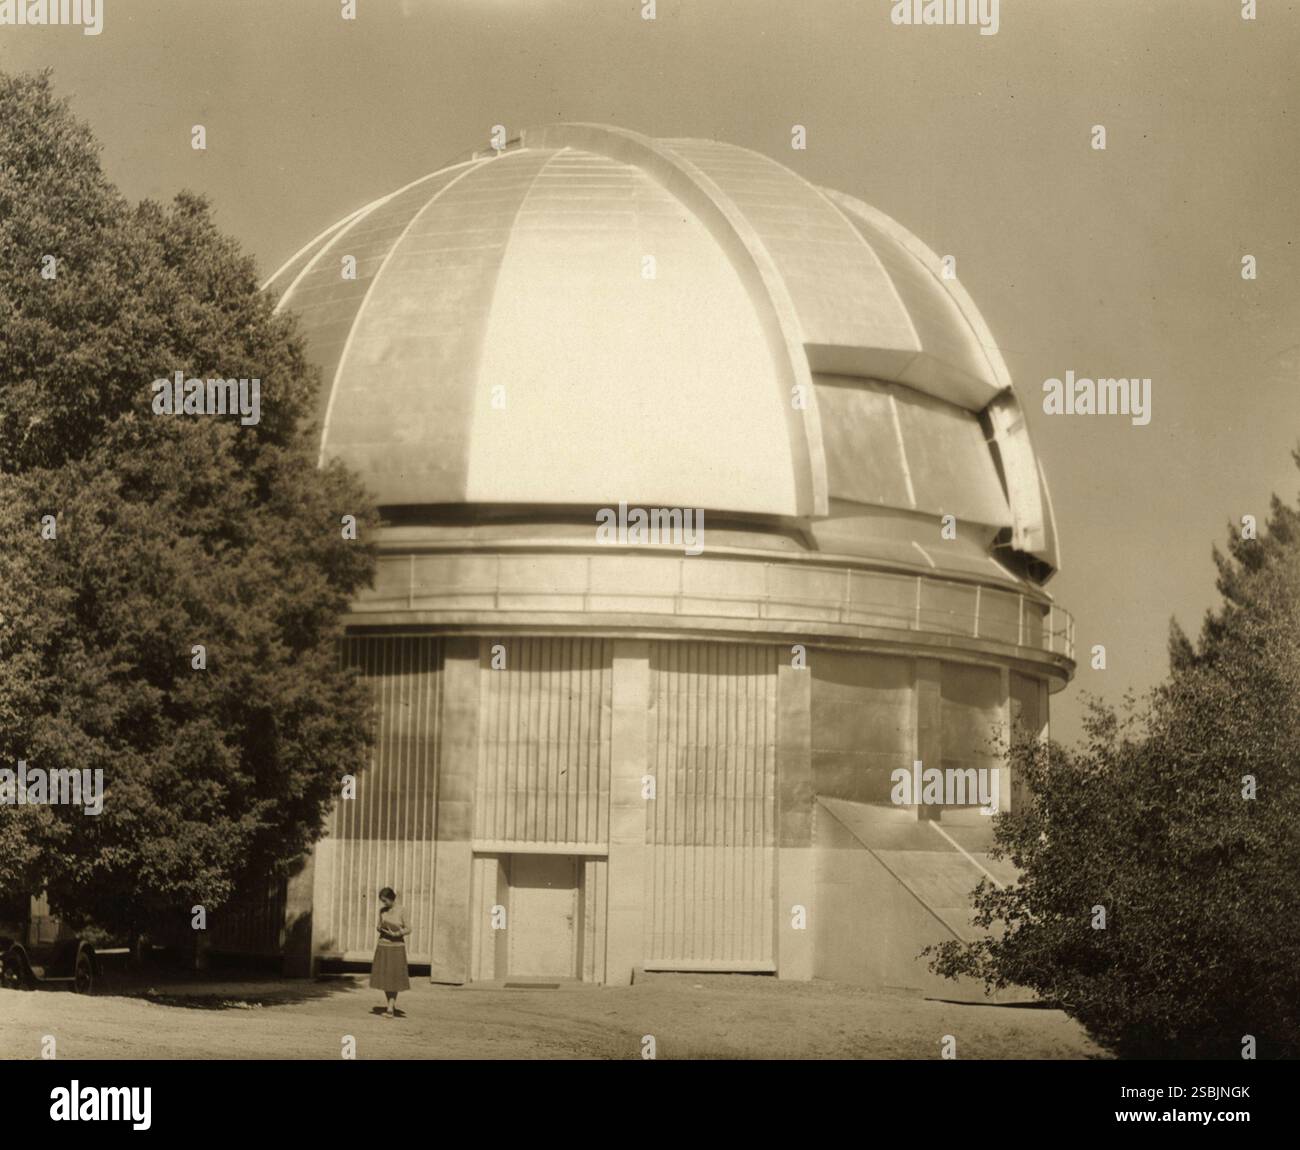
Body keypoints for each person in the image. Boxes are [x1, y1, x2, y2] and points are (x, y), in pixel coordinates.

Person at [370, 886, 410, 1018]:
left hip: (397, 946)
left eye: (385, 900)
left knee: (394, 977)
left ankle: (390, 1007)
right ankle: (390, 1005)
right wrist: (379, 928)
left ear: (392, 899)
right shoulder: (382, 911)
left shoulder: (402, 910)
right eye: (382, 901)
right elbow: (379, 925)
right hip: (383, 945)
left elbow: (409, 928)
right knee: (386, 977)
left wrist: (397, 933)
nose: (384, 903)